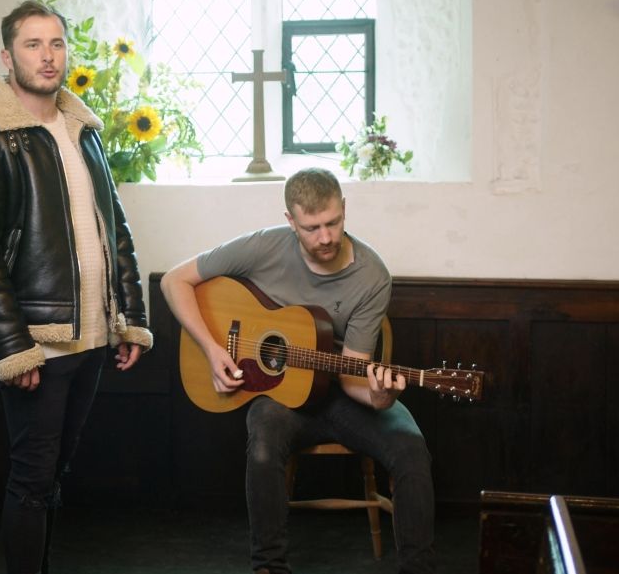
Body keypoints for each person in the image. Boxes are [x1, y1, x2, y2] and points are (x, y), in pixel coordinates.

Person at [0, 0, 153, 574]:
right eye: (33, 44)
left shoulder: (82, 130)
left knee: (55, 473)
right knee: (32, 477)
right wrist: (14, 349)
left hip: (89, 339)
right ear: (7, 55)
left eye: (57, 43)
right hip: (38, 341)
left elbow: (118, 233)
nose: (48, 55)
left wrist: (130, 317)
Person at [161, 167, 435, 574]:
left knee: (410, 446)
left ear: (344, 209)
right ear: (291, 221)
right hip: (280, 395)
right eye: (311, 228)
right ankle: (269, 567)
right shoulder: (263, 247)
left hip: (343, 394)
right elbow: (173, 281)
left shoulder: (372, 275)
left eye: (332, 223)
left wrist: (379, 396)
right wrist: (214, 348)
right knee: (264, 441)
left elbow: (354, 373)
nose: (324, 238)